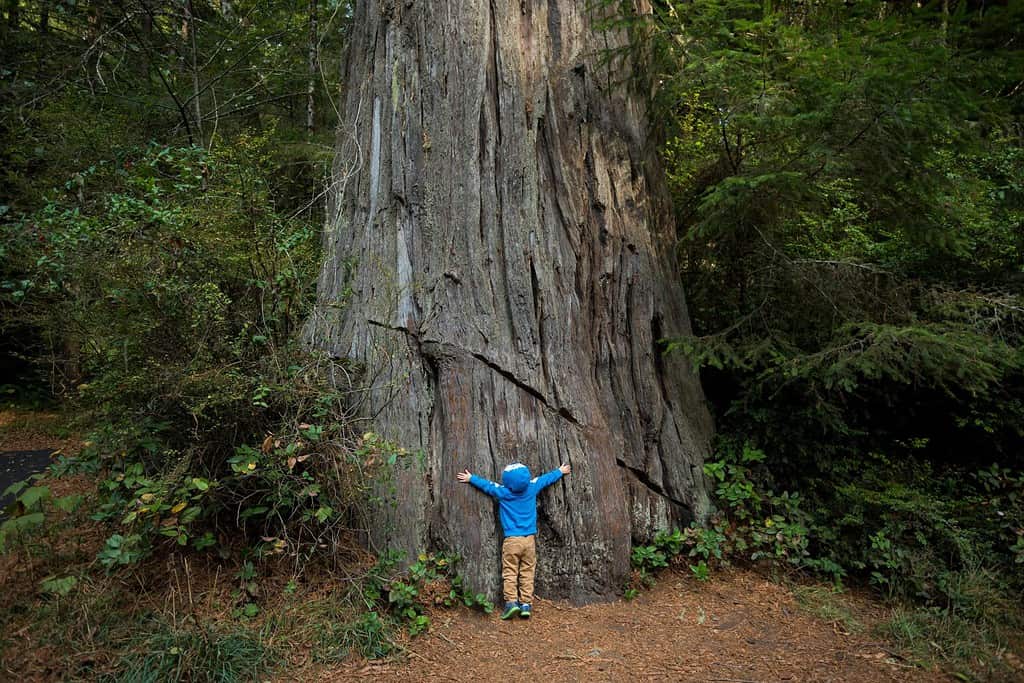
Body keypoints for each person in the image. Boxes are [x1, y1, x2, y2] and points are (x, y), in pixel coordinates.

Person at [456, 461, 571, 619]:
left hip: (512, 540)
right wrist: (560, 471)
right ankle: (526, 604)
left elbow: (488, 486)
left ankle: (511, 603)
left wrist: (471, 478)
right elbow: (545, 479)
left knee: (510, 572)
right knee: (527, 572)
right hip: (529, 540)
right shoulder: (532, 488)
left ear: (507, 482)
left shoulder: (504, 492)